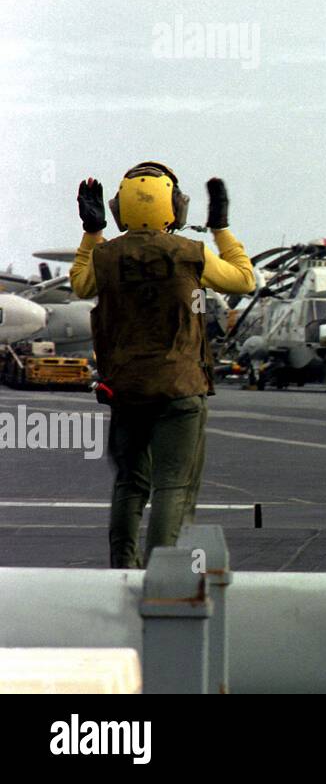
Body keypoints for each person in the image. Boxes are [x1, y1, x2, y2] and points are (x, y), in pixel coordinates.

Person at [70, 162, 256, 568]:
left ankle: (122, 567)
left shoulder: (106, 256)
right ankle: (162, 572)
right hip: (180, 387)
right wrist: (221, 227)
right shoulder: (192, 254)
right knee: (174, 484)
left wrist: (92, 232)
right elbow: (245, 280)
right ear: (175, 206)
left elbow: (80, 284)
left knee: (130, 483)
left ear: (120, 209)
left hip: (126, 389)